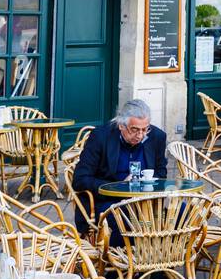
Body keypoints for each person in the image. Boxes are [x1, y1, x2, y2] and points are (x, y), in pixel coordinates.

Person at [71, 100, 168, 243]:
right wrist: (118, 186)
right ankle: (124, 260)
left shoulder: (157, 137)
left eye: (145, 129)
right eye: (134, 130)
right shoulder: (100, 137)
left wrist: (148, 182)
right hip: (108, 202)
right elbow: (80, 179)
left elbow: (161, 174)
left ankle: (163, 257)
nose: (140, 135)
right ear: (121, 125)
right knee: (125, 216)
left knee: (180, 211)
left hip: (144, 202)